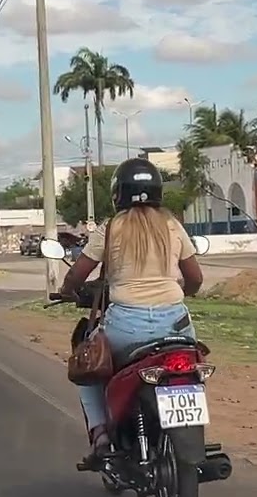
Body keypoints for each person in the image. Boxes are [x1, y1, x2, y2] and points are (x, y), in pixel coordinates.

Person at [57, 157, 205, 457]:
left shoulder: (111, 229)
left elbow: (78, 273)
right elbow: (195, 278)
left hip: (126, 326)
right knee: (192, 371)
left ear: (117, 194)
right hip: (176, 323)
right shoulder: (172, 225)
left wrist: (68, 291)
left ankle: (99, 433)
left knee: (87, 363)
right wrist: (179, 294)